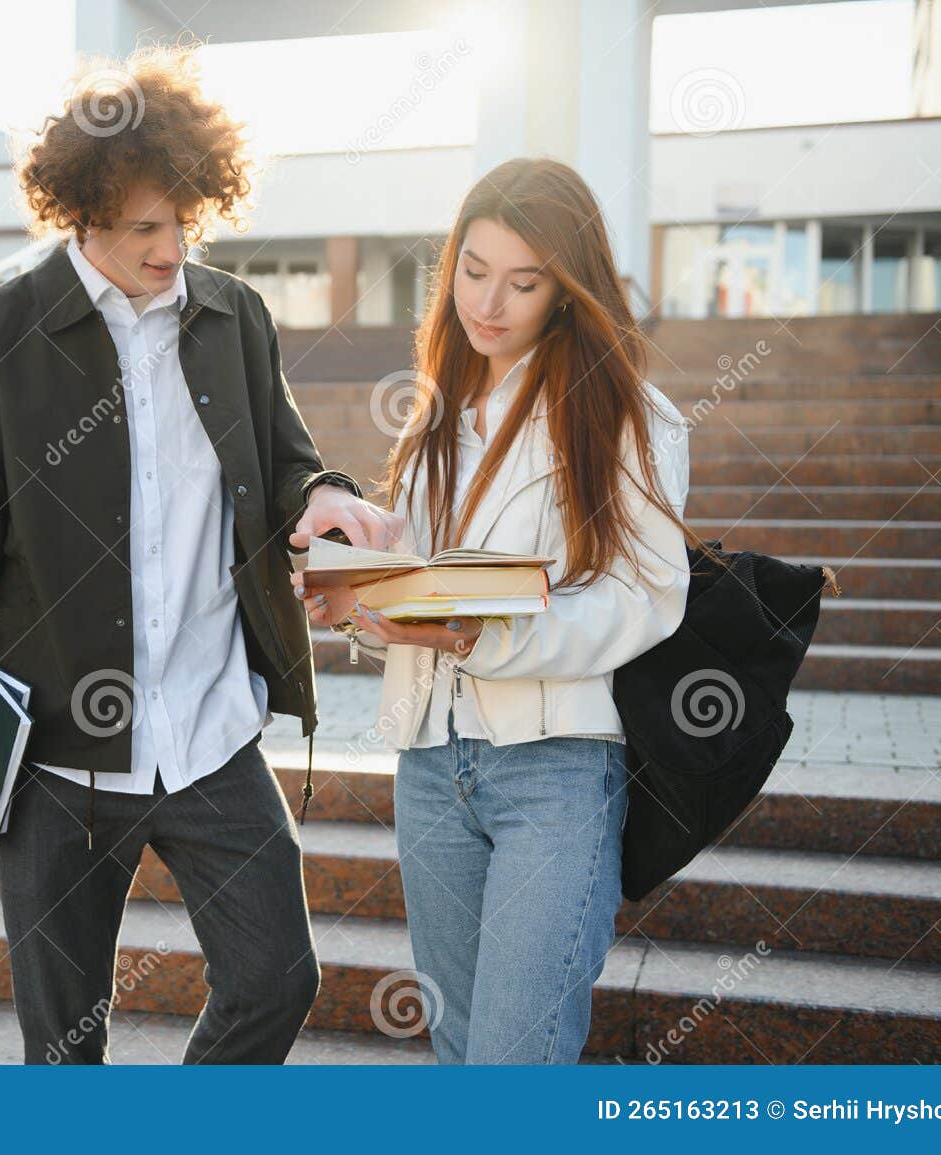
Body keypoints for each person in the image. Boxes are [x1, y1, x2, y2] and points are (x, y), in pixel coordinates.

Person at [0, 45, 402, 1064]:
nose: (171, 251)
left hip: (210, 730)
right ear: (80, 211)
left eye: (185, 223)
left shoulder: (230, 316)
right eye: (142, 229)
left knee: (275, 979)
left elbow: (285, 458)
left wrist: (325, 496)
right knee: (64, 1048)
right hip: (59, 756)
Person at [295, 157, 703, 1064]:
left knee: (516, 1058)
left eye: (523, 282)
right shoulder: (440, 412)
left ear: (568, 289)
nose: (488, 301)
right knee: (462, 1048)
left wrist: (485, 636)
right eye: (472, 271)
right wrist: (361, 597)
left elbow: (647, 599)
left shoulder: (630, 413)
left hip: (556, 768)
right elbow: (427, 583)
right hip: (434, 766)